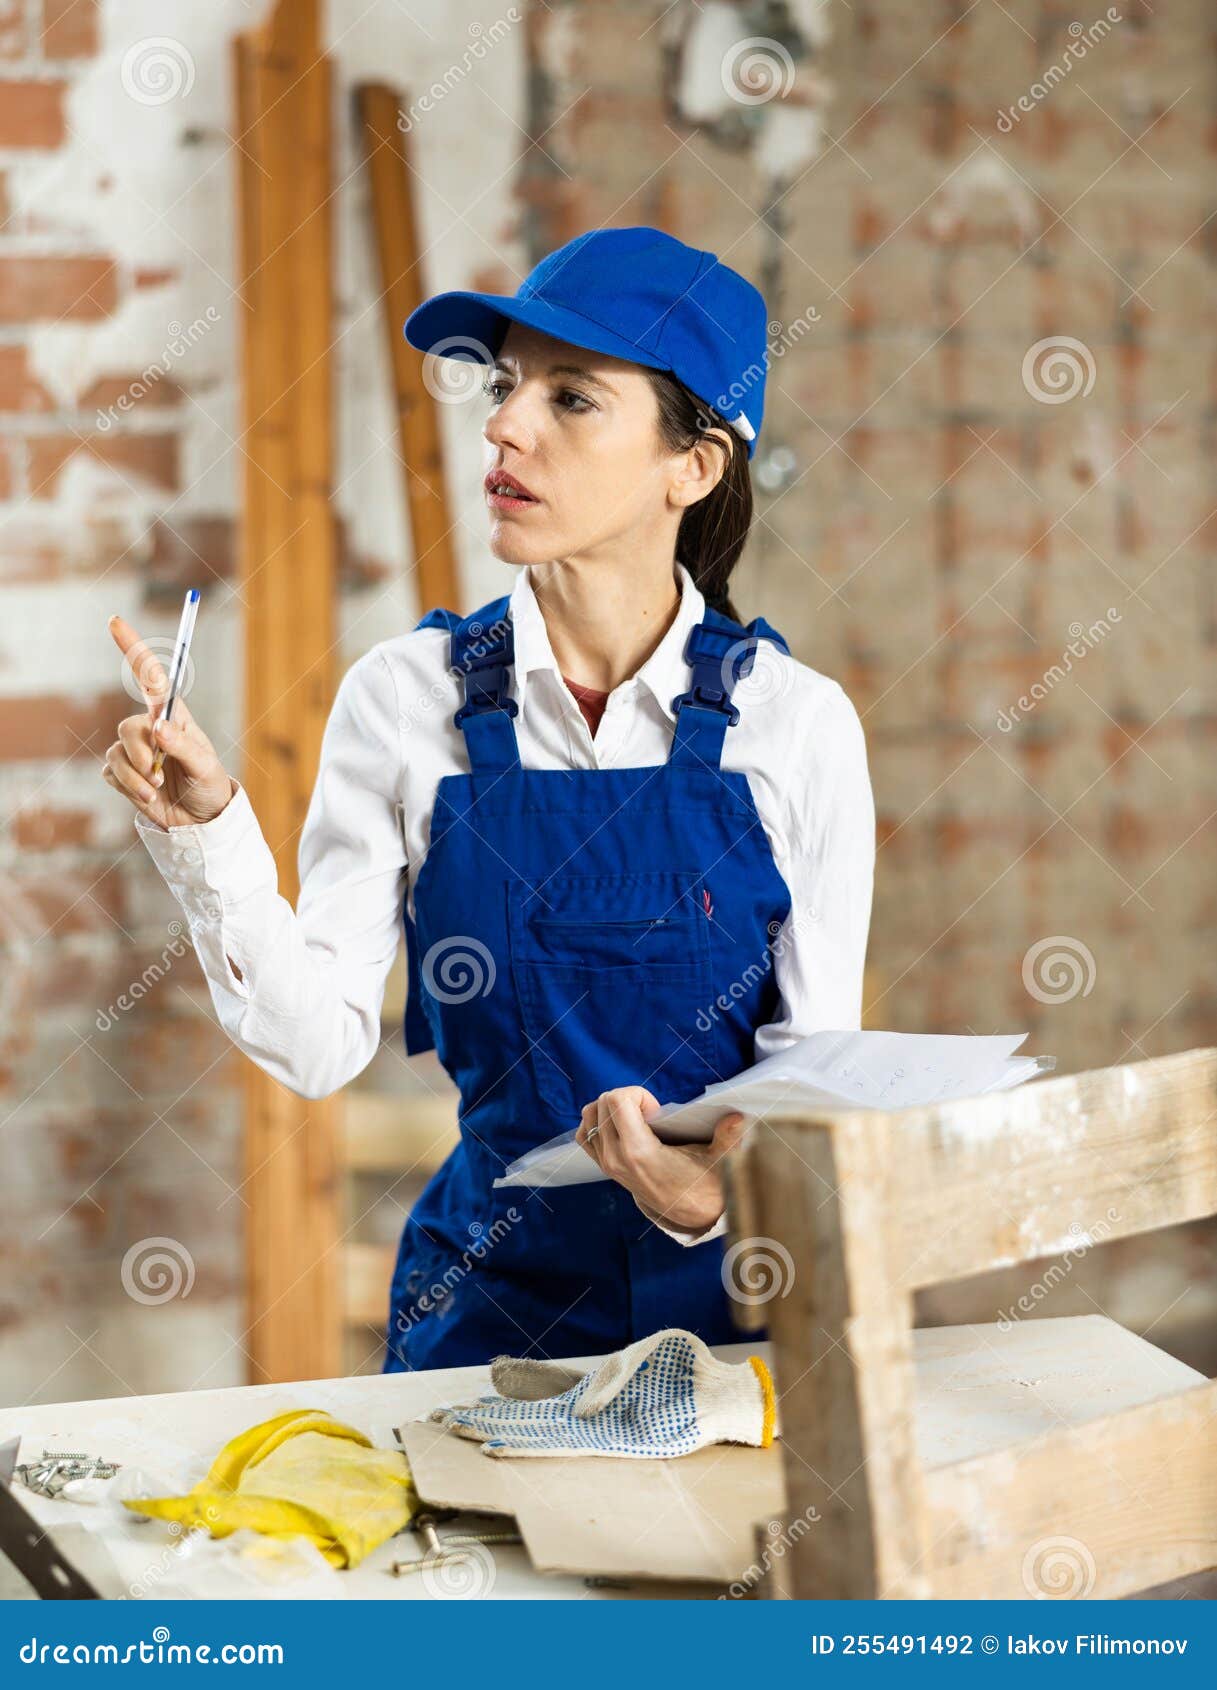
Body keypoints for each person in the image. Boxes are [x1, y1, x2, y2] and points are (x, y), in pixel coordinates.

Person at [102, 226, 875, 1373]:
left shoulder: (797, 727)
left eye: (572, 398)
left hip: (736, 1322)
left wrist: (698, 1198)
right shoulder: (401, 700)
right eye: (508, 387)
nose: (504, 423)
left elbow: (816, 1096)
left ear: (692, 465)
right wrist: (209, 836)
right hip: (483, 1322)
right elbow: (317, 1047)